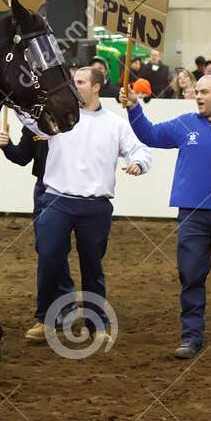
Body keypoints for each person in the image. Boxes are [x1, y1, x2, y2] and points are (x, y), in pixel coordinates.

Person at [121, 75, 211, 359]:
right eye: (196, 91)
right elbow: (149, 135)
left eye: (204, 92)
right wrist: (134, 108)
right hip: (192, 214)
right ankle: (191, 336)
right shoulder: (184, 124)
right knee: (191, 275)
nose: (198, 96)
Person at [26, 67, 150, 345]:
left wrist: (139, 163)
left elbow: (140, 150)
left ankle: (97, 322)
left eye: (79, 82)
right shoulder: (57, 117)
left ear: (96, 87)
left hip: (95, 206)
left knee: (92, 266)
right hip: (57, 200)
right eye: (72, 81)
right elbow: (30, 119)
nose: (74, 85)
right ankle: (45, 319)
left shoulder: (115, 124)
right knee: (49, 258)